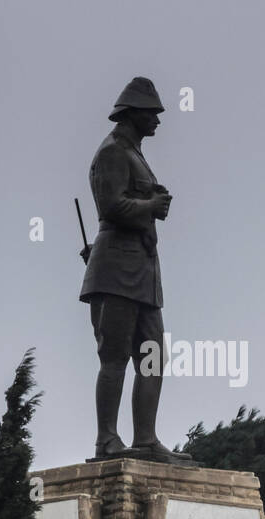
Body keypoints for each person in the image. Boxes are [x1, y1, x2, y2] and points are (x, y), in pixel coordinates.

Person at [79, 76, 192, 464]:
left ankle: (145, 438)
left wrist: (150, 204)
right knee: (114, 357)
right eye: (153, 113)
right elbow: (111, 207)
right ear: (134, 114)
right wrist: (152, 206)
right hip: (116, 269)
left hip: (143, 270)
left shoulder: (134, 152)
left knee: (152, 355)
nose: (158, 121)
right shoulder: (112, 151)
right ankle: (107, 440)